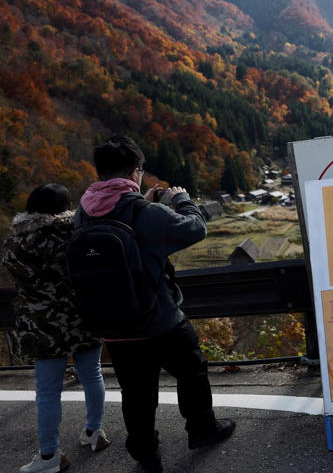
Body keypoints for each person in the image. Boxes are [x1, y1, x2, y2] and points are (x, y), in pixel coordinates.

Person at [74, 136, 235, 473]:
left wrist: (141, 201)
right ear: (136, 171)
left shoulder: (83, 212)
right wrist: (183, 201)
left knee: (136, 393)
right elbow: (195, 229)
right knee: (191, 371)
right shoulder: (146, 213)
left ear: (100, 172)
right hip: (159, 318)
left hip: (113, 324)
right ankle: (202, 430)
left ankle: (147, 457)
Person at [1, 184, 110, 473]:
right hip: (83, 318)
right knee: (92, 375)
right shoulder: (79, 235)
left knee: (47, 392)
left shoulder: (16, 244)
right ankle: (94, 433)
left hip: (42, 327)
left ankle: (50, 457)